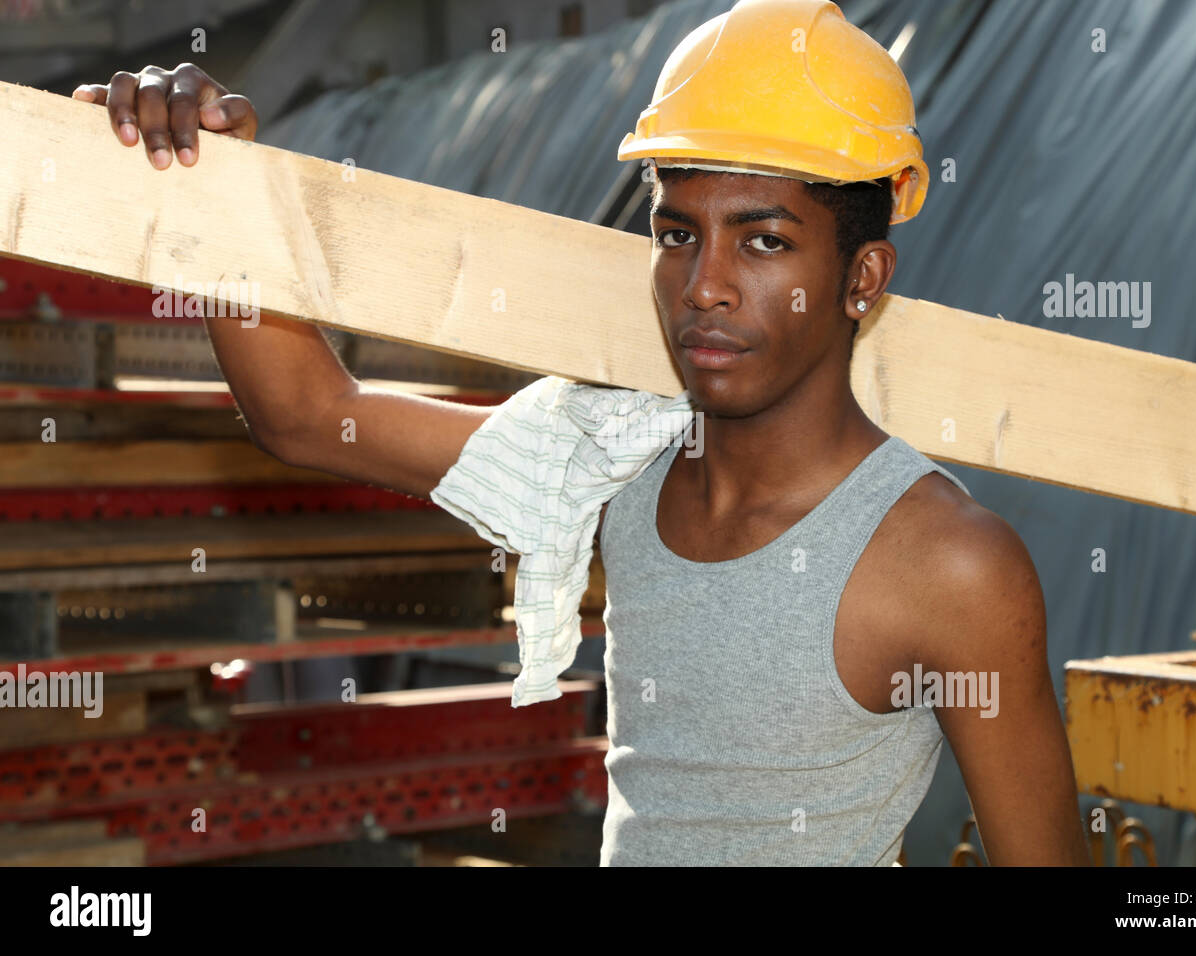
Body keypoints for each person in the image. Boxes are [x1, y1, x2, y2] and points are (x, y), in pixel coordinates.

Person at [71, 0, 1090, 865]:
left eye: (765, 240)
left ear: (861, 279)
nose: (706, 286)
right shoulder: (611, 459)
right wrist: (214, 192)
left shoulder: (948, 562)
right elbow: (304, 414)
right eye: (677, 232)